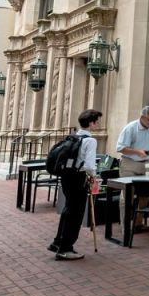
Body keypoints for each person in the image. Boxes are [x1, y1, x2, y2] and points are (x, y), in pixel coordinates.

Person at [50, 108, 102, 261]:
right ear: (91, 123)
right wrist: (94, 177)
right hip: (78, 178)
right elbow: (89, 165)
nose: (98, 124)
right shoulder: (90, 140)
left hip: (66, 177)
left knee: (68, 209)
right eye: (97, 121)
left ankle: (58, 242)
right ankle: (66, 248)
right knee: (76, 214)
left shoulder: (74, 137)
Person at [116, 106, 149, 230]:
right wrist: (137, 152)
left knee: (145, 194)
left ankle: (138, 224)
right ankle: (125, 227)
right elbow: (120, 148)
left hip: (147, 163)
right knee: (127, 196)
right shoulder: (130, 128)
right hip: (130, 163)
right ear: (141, 117)